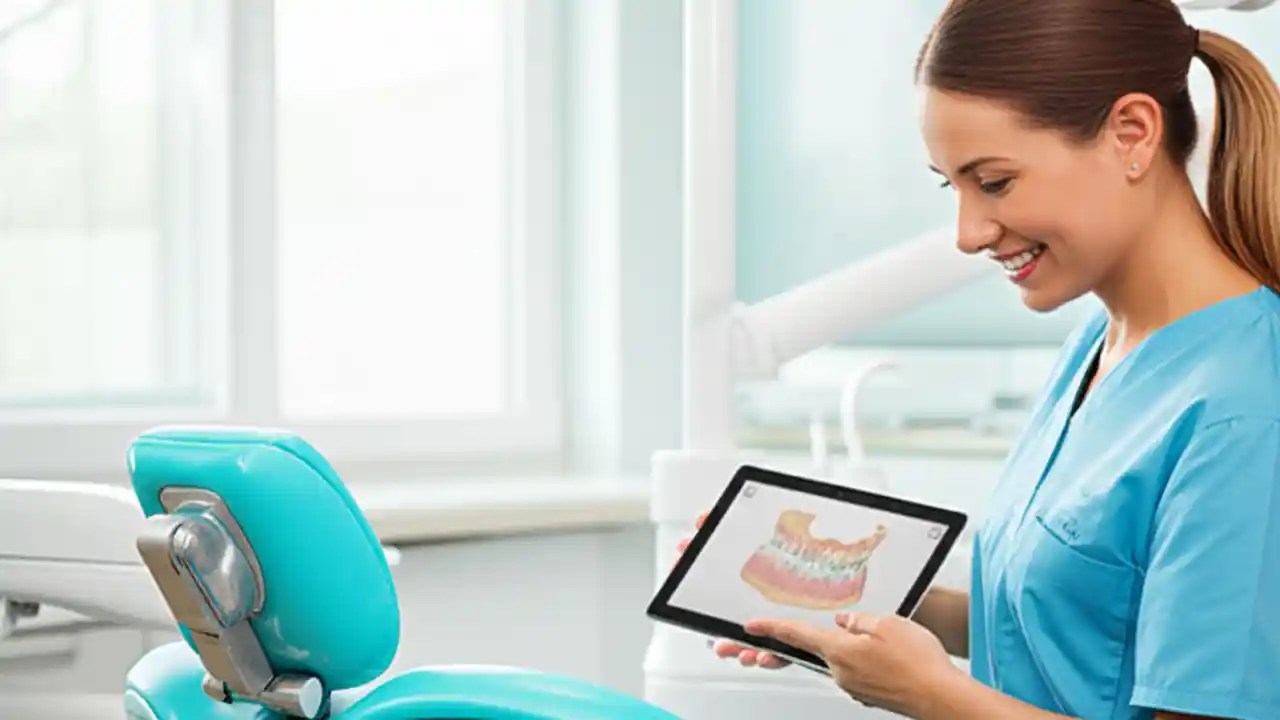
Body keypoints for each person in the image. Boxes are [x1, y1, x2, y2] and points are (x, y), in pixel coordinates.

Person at [676, 1, 1280, 718]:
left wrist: (933, 697)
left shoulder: (1243, 408)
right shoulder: (1098, 347)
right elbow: (1068, 621)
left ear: (1133, 134)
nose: (967, 233)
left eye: (993, 182)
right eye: (950, 185)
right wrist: (850, 610)